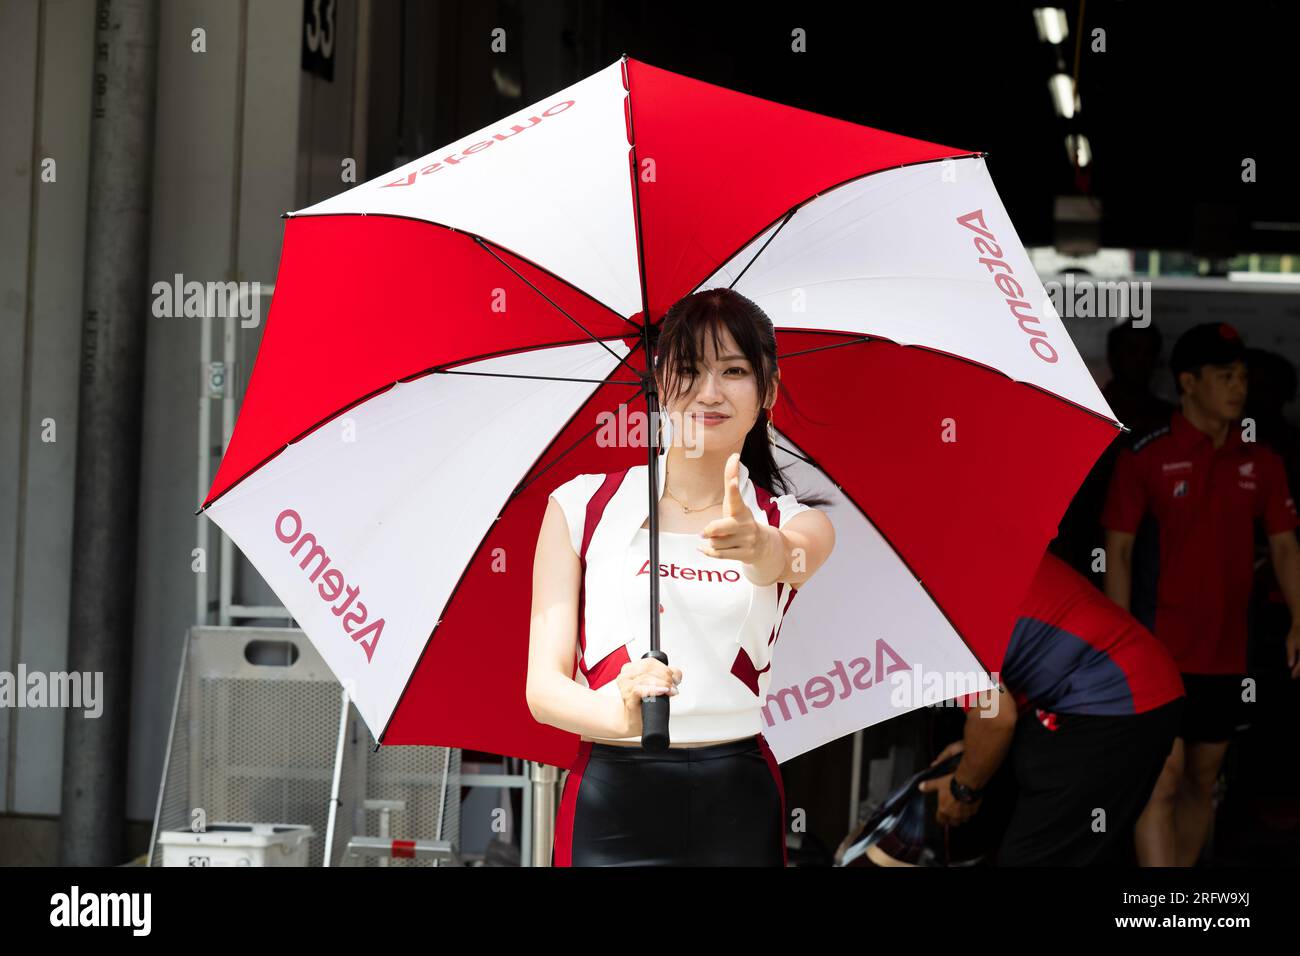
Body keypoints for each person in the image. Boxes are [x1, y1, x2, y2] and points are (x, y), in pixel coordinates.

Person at [527, 287, 836, 866]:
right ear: (658, 383)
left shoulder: (792, 522)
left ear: (766, 390)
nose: (710, 392)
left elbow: (787, 559)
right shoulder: (578, 507)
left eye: (735, 370)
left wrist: (760, 546)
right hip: (610, 798)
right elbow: (543, 691)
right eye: (689, 369)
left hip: (736, 799)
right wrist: (615, 710)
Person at [1100, 322, 1300, 866]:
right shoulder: (1144, 453)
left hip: (1228, 652)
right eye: (1224, 376)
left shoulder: (1262, 460)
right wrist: (1120, 645)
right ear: (1188, 382)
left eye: (1242, 376)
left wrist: (1299, 620)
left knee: (1200, 783)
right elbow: (1116, 553)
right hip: (1156, 650)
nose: (1238, 387)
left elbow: (1284, 548)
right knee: (1161, 781)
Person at [919, 550, 1185, 866]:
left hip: (1114, 700)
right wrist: (975, 746)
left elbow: (996, 718)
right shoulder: (968, 554)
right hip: (1130, 685)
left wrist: (963, 789)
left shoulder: (927, 610)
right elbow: (1000, 699)